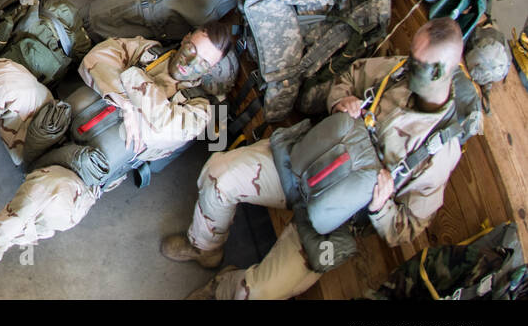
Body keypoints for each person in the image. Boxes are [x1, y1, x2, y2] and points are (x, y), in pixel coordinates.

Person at [162, 18, 475, 300]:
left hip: (337, 217)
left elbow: (405, 229)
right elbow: (348, 78)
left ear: (437, 72)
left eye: (416, 63)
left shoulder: (440, 153)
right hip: (305, 159)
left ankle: (224, 287)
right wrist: (343, 100)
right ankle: (204, 247)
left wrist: (381, 207)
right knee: (220, 174)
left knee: (256, 294)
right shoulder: (397, 72)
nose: (406, 65)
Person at [0, 25, 235, 281]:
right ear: (187, 36)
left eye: (202, 62)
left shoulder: (200, 111)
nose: (189, 62)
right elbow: (95, 59)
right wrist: (127, 104)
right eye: (190, 48)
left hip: (76, 176)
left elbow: (162, 125)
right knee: (7, 76)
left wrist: (129, 78)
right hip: (50, 124)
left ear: (210, 72)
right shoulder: (150, 51)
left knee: (46, 196)